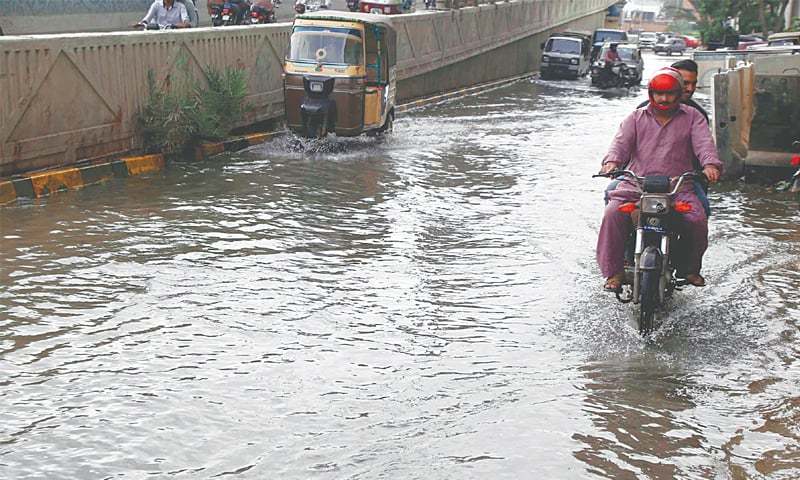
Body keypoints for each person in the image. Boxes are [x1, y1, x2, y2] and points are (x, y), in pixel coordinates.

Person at [597, 67, 723, 291]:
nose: (664, 99)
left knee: (696, 220)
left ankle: (690, 269)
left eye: (669, 93)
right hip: (636, 185)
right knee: (612, 214)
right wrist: (611, 163)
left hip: (678, 187)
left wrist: (710, 165)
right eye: (659, 93)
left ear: (678, 94)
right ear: (651, 94)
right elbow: (620, 144)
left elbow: (704, 145)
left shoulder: (693, 117)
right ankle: (614, 272)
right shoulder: (635, 118)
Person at [637, 59, 708, 123]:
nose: (690, 89)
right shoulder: (642, 113)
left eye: (694, 84)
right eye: (685, 83)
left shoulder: (699, 115)